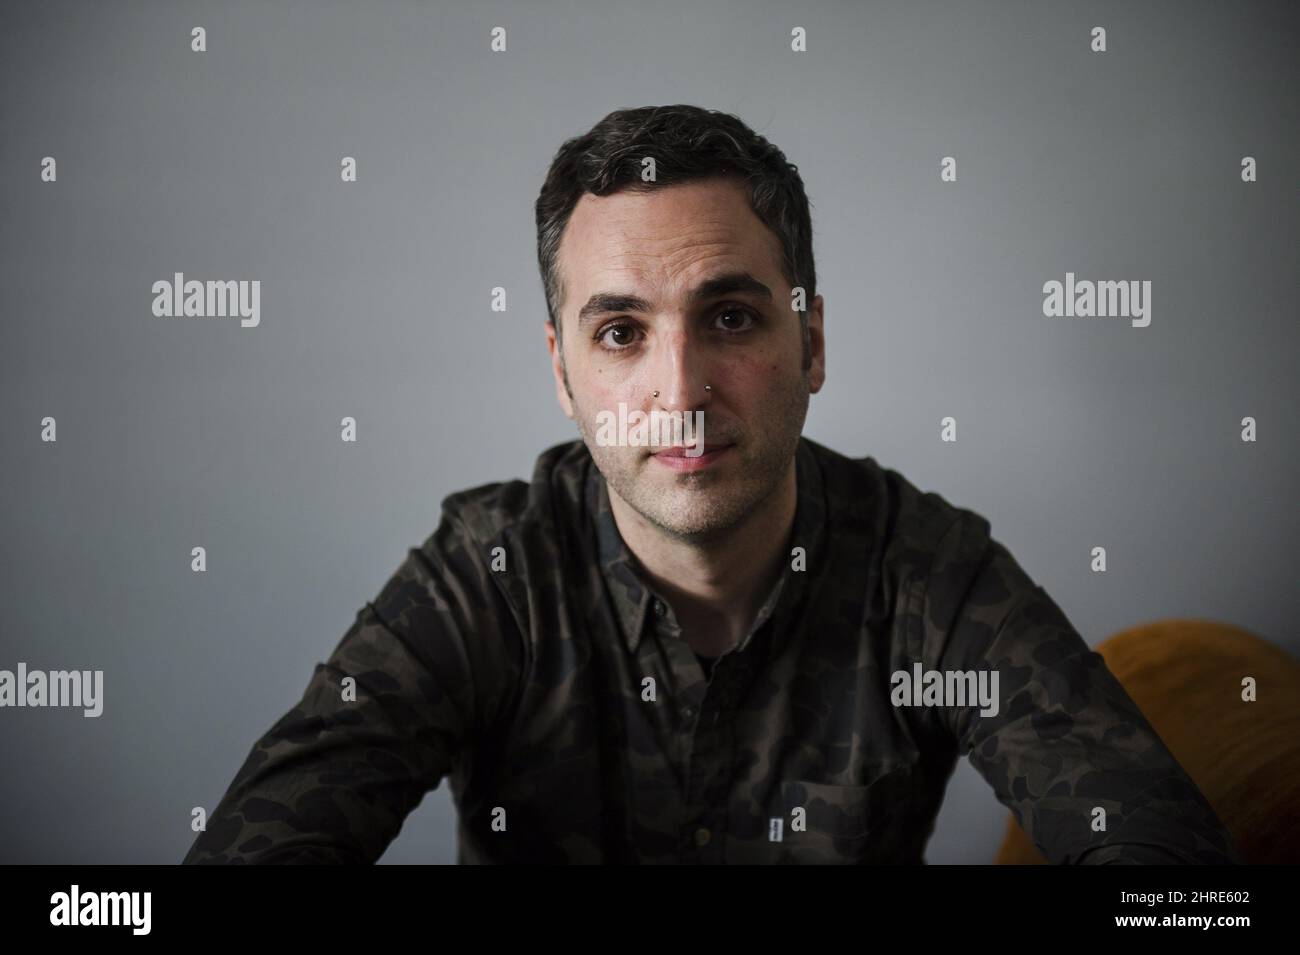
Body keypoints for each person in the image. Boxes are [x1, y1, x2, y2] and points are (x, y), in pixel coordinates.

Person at [183, 104, 1239, 864]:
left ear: (811, 341)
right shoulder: (490, 576)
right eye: (620, 332)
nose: (679, 388)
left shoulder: (928, 576)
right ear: (562, 371)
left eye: (729, 317)